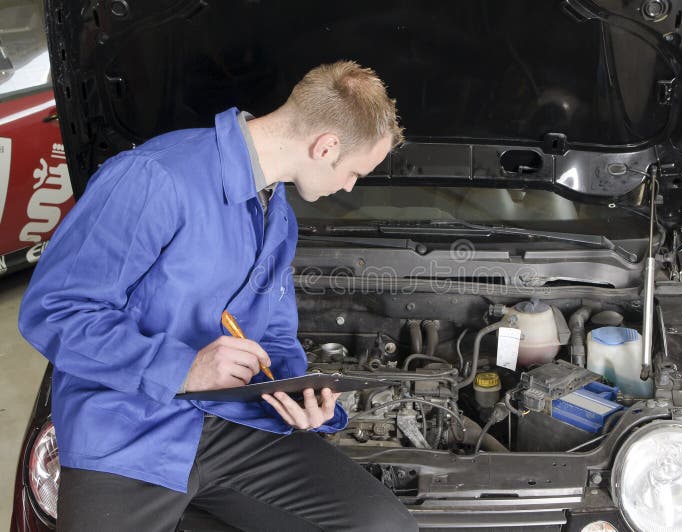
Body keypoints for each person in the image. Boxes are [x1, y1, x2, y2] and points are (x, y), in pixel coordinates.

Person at [18, 61, 416, 532]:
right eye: (354, 172)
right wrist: (184, 369)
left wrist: (299, 390)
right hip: (127, 428)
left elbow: (274, 333)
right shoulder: (154, 177)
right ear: (326, 146)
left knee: (383, 525)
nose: (350, 186)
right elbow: (54, 310)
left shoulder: (278, 216)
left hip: (231, 423)